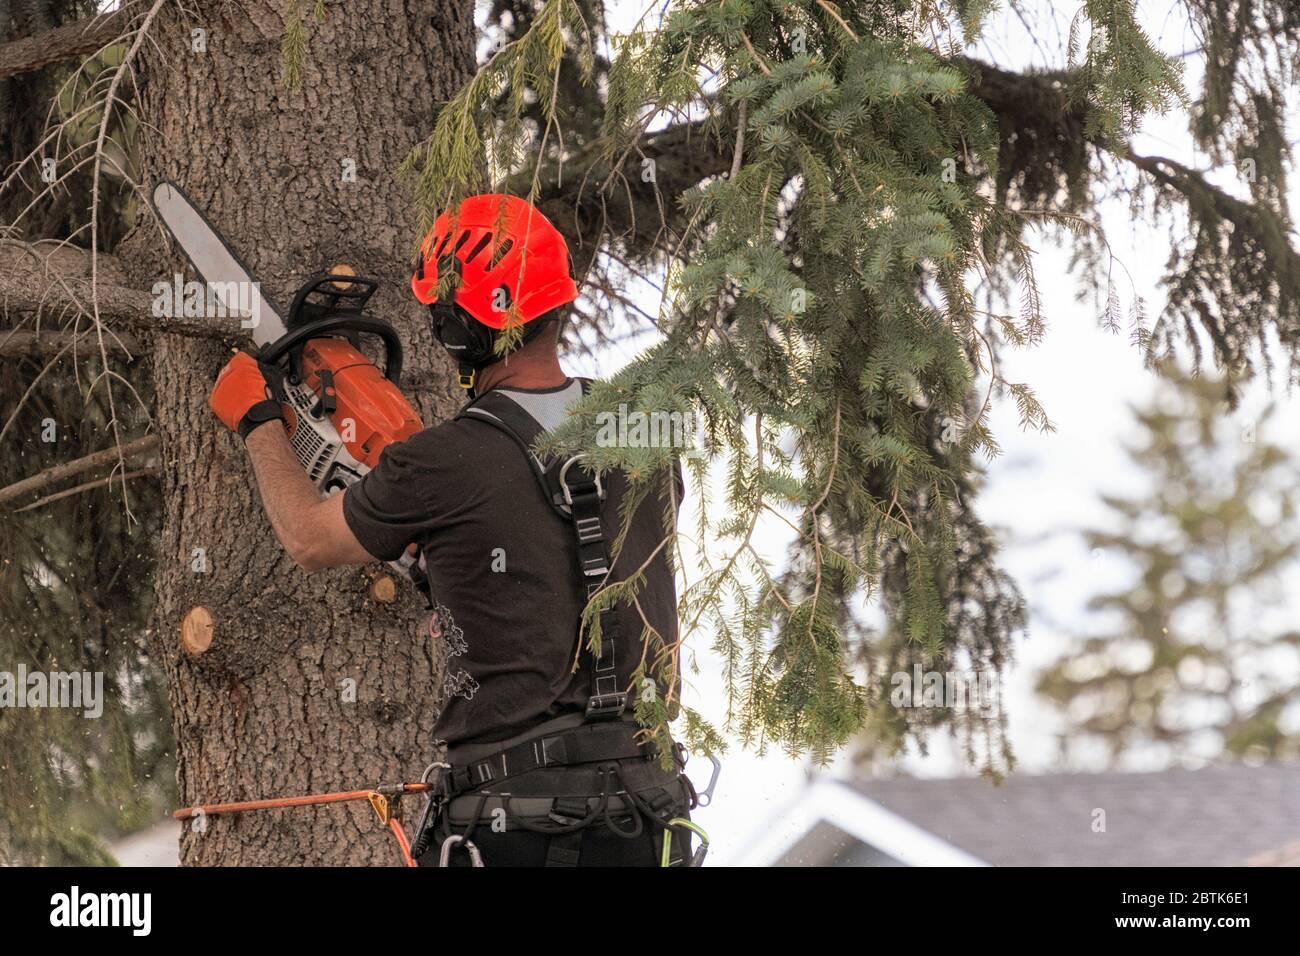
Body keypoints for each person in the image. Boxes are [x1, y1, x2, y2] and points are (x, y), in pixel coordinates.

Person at [207, 194, 697, 866]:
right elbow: (568, 556)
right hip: (644, 811)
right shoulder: (642, 434)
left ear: (461, 322)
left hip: (519, 821)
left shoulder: (443, 460)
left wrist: (259, 420)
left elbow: (310, 538)